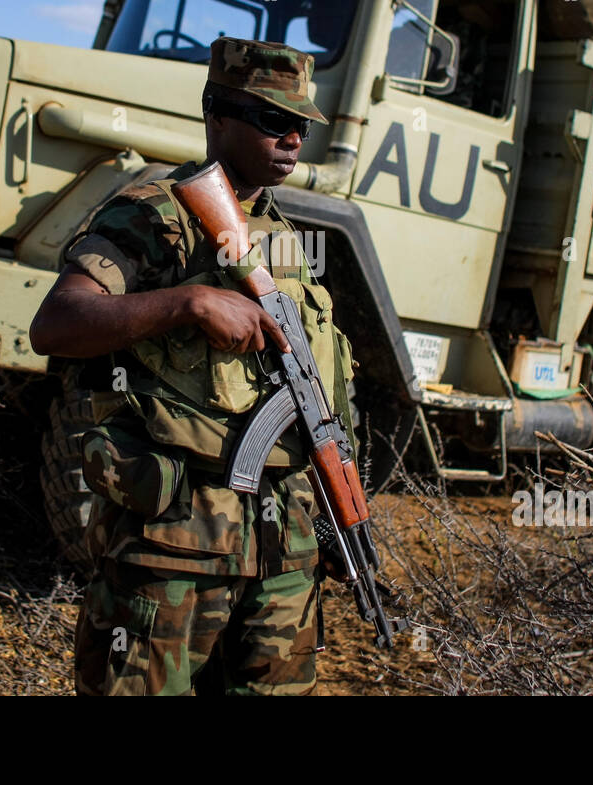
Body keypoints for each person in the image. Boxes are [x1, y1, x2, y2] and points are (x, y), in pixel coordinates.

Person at [29, 38, 357, 696]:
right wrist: (189, 301)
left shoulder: (287, 240)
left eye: (302, 126)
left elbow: (322, 401)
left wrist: (334, 526)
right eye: (273, 120)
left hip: (282, 554)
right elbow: (56, 323)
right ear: (217, 114)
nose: (293, 139)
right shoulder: (156, 216)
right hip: (174, 548)